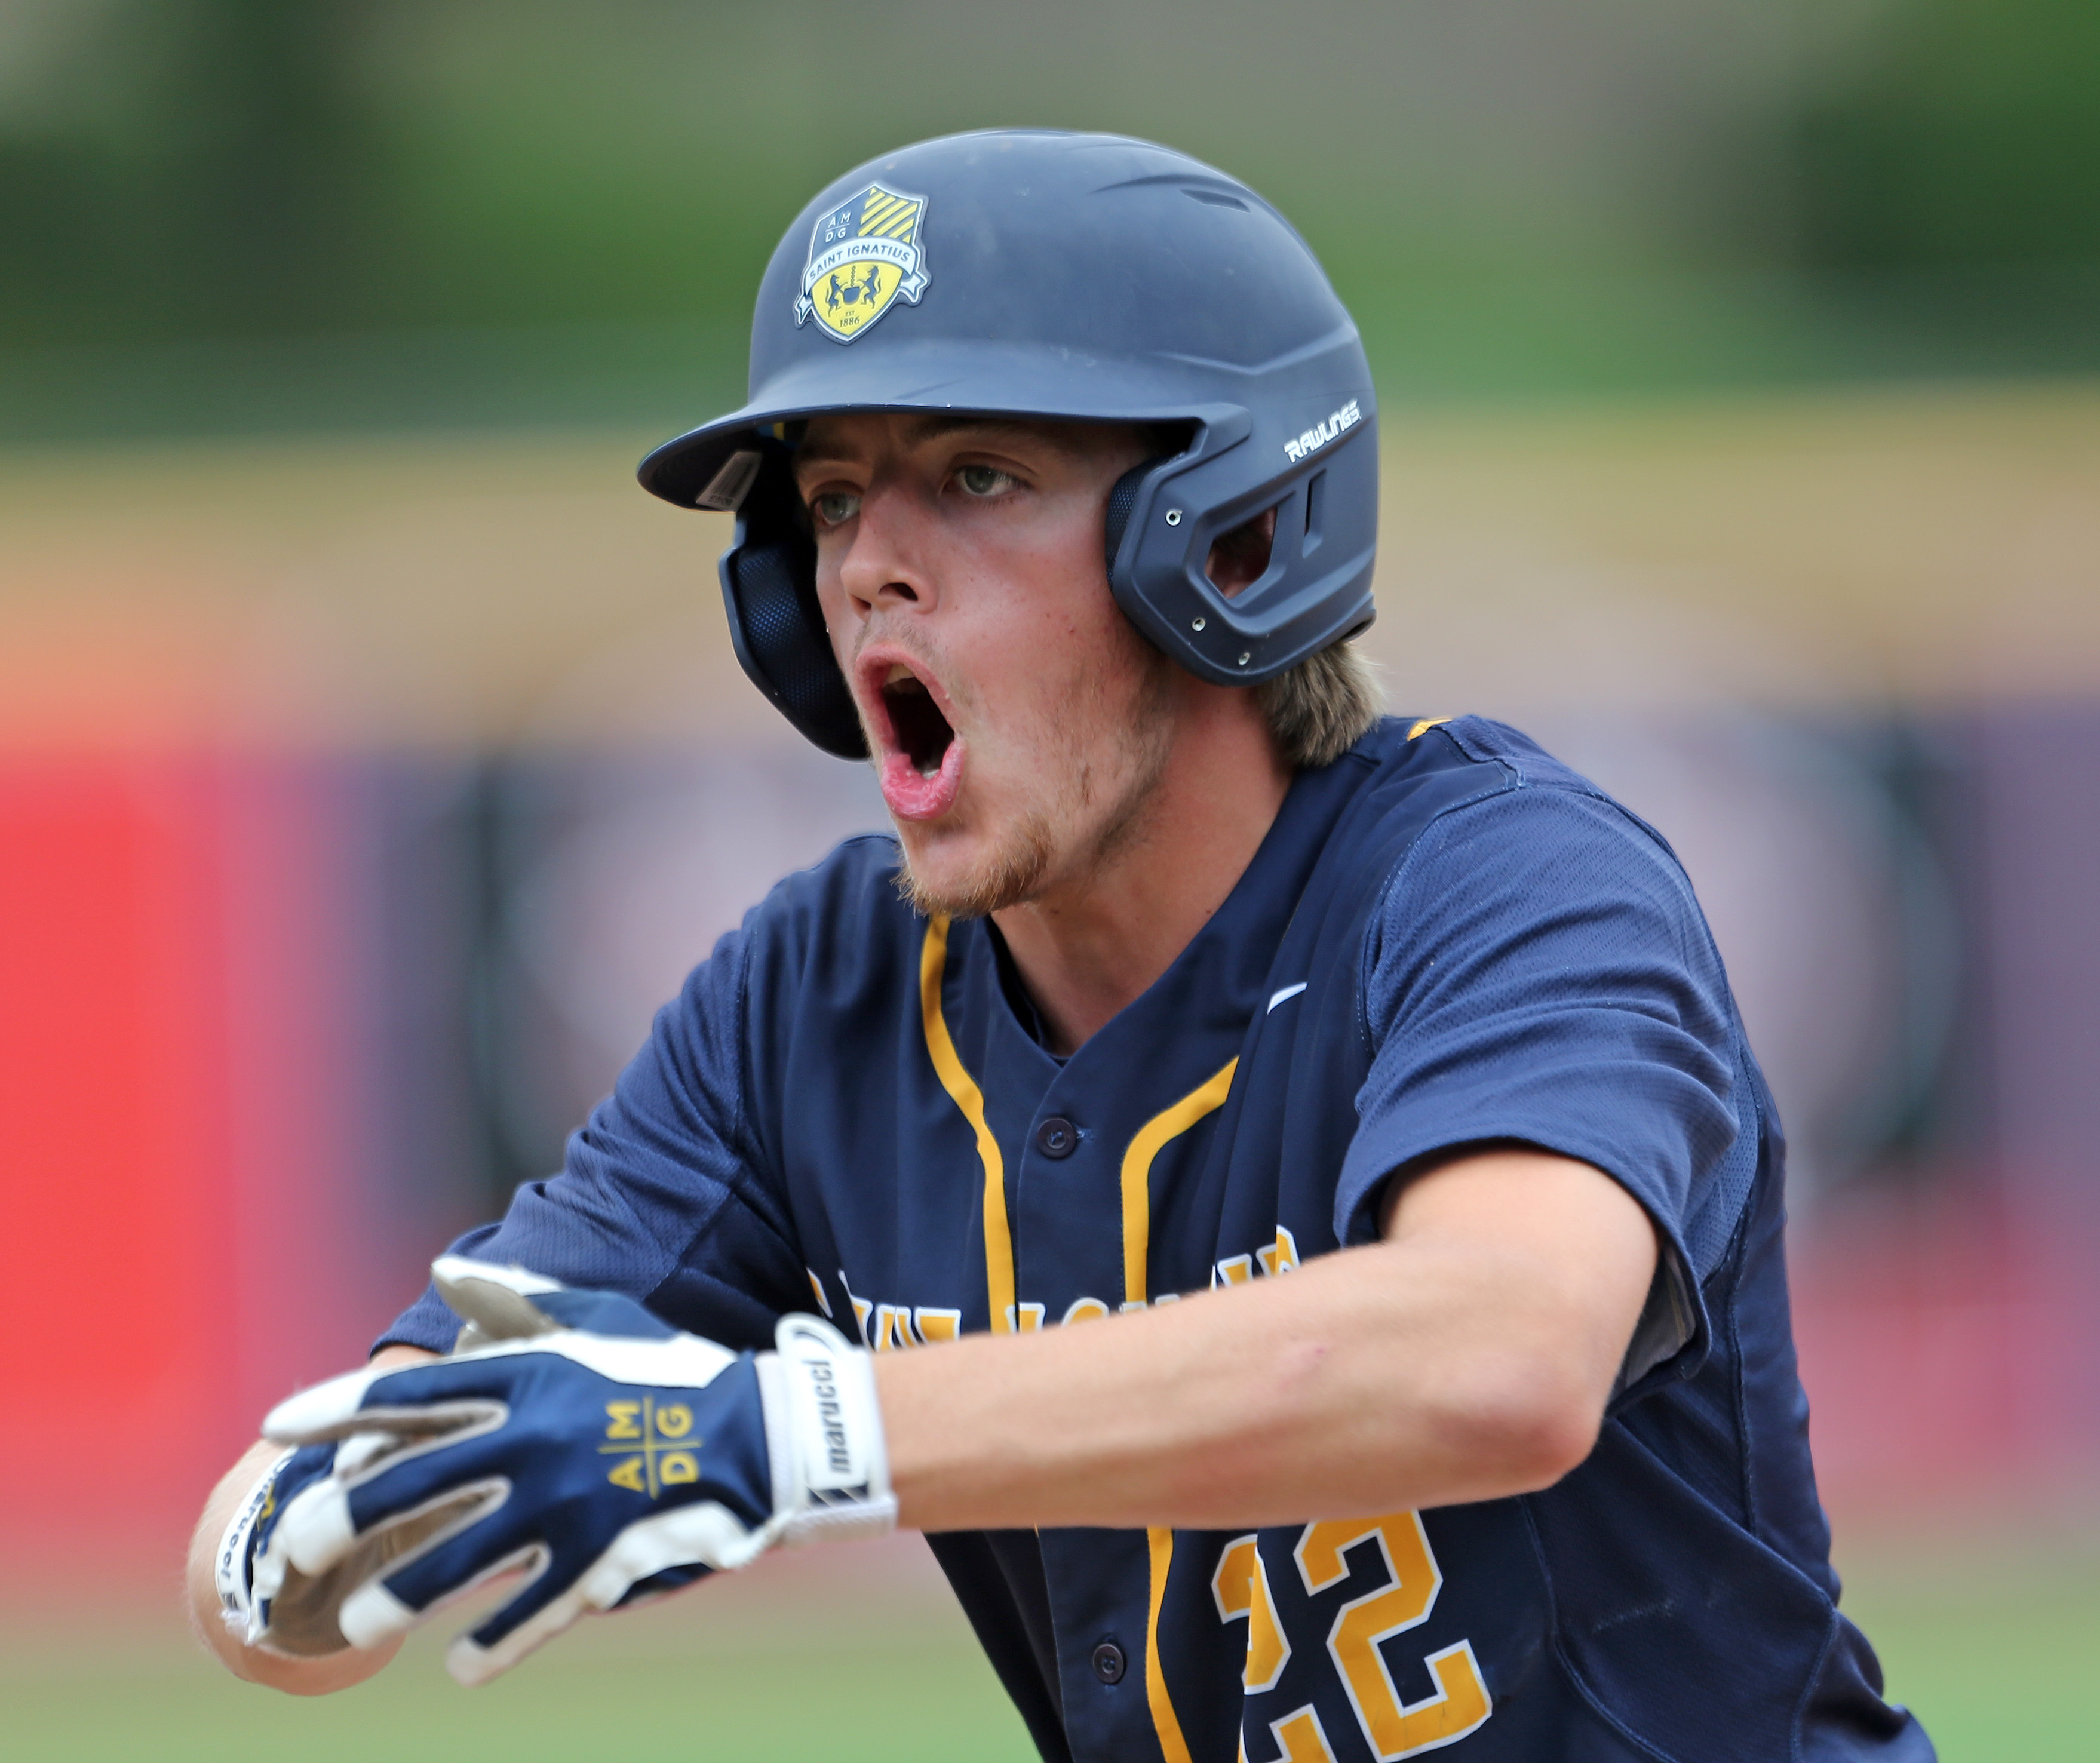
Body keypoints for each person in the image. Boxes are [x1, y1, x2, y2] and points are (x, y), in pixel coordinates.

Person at [188, 130, 1932, 1762]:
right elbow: (295, 1586)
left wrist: (794, 1438)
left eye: (978, 475)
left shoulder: (1495, 879)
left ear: (1236, 532)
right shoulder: (812, 998)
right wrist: (325, 1516)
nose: (868, 563)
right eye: (833, 497)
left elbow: (1498, 1359)